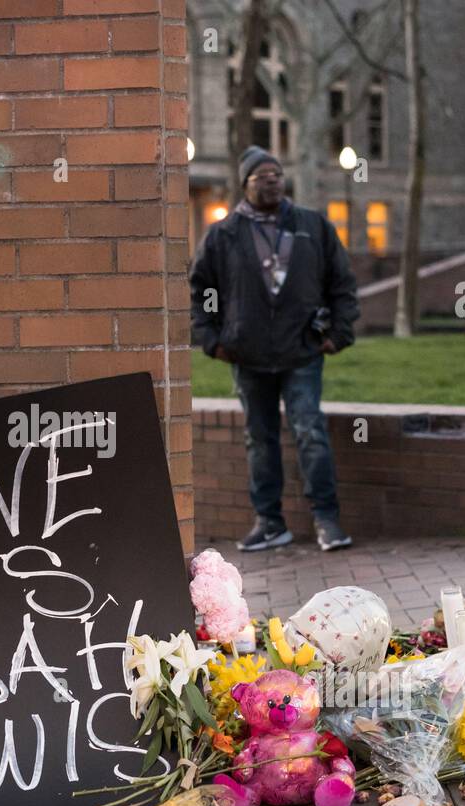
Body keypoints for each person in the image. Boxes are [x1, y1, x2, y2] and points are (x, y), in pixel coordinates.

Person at [190, 146, 359, 552]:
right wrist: (213, 341)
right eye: (261, 175)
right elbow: (201, 292)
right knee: (258, 439)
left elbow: (342, 283)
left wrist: (339, 333)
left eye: (277, 173)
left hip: (302, 352)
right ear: (245, 184)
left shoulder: (312, 225)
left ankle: (327, 520)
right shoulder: (224, 234)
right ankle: (269, 522)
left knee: (310, 432)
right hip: (247, 357)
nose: (272, 180)